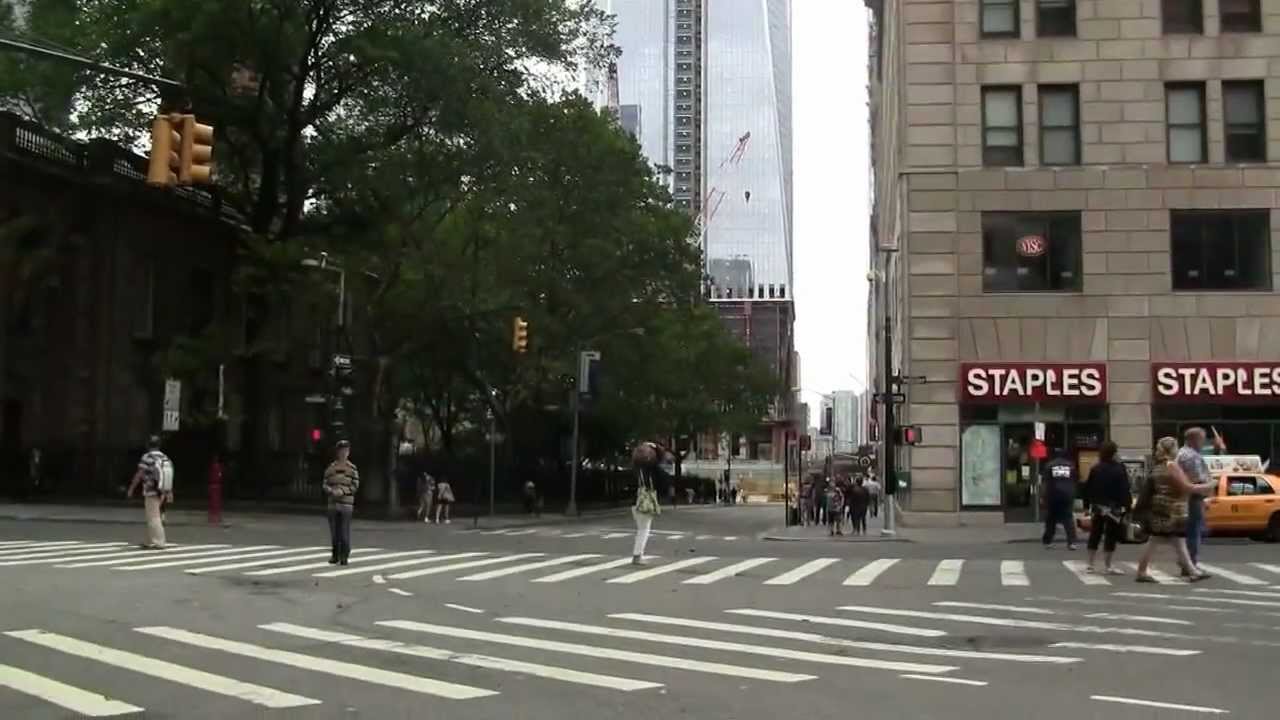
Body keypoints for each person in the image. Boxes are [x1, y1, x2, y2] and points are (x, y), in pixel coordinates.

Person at [1135, 436, 1215, 583]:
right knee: (1158, 540)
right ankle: (1141, 571)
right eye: (1176, 447)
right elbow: (1186, 486)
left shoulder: (1158, 466)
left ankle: (1191, 571)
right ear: (1172, 449)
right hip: (1172, 509)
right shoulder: (1172, 465)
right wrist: (1208, 486)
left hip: (1161, 508)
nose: (1178, 450)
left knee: (1175, 541)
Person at [1177, 427, 1223, 576]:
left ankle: (1187, 561)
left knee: (1198, 530)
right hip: (1193, 497)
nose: (1203, 443)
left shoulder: (1184, 453)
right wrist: (1210, 484)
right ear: (1193, 439)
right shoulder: (1191, 456)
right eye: (1201, 439)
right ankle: (1190, 564)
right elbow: (1197, 478)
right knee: (1194, 531)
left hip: (1190, 497)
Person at [1084, 441, 1131, 575]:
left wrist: (1087, 505)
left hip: (1098, 506)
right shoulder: (1119, 469)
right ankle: (1108, 565)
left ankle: (1090, 564)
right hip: (1114, 508)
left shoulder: (1096, 468)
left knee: (1095, 534)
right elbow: (1124, 489)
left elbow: (1088, 489)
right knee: (1111, 535)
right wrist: (1127, 508)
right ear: (1114, 453)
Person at [126, 435, 174, 549]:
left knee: (153, 517)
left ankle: (159, 541)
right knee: (153, 515)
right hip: (162, 490)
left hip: (151, 490)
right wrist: (169, 491)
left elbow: (140, 473)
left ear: (148, 445)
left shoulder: (147, 457)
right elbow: (168, 474)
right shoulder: (164, 457)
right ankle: (149, 540)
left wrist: (131, 488)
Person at [323, 440, 359, 565]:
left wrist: (343, 491)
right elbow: (325, 483)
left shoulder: (352, 469)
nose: (343, 453)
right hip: (333, 504)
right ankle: (335, 554)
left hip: (346, 504)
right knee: (334, 532)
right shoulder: (331, 468)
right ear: (337, 452)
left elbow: (355, 486)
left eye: (346, 451)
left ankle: (344, 555)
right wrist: (331, 491)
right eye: (341, 451)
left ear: (348, 452)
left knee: (344, 531)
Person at [631, 441, 666, 565]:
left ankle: (637, 554)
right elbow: (663, 482)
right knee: (644, 529)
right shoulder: (653, 469)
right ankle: (637, 555)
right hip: (646, 500)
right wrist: (656, 448)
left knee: (641, 528)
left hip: (635, 501)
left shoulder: (636, 468)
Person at [1041, 448, 1079, 550]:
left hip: (1053, 494)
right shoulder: (1071, 466)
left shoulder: (1049, 465)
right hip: (1067, 495)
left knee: (1051, 519)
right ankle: (1072, 542)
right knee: (1068, 518)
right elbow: (1075, 480)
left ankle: (1048, 541)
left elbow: (1045, 483)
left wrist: (1043, 497)